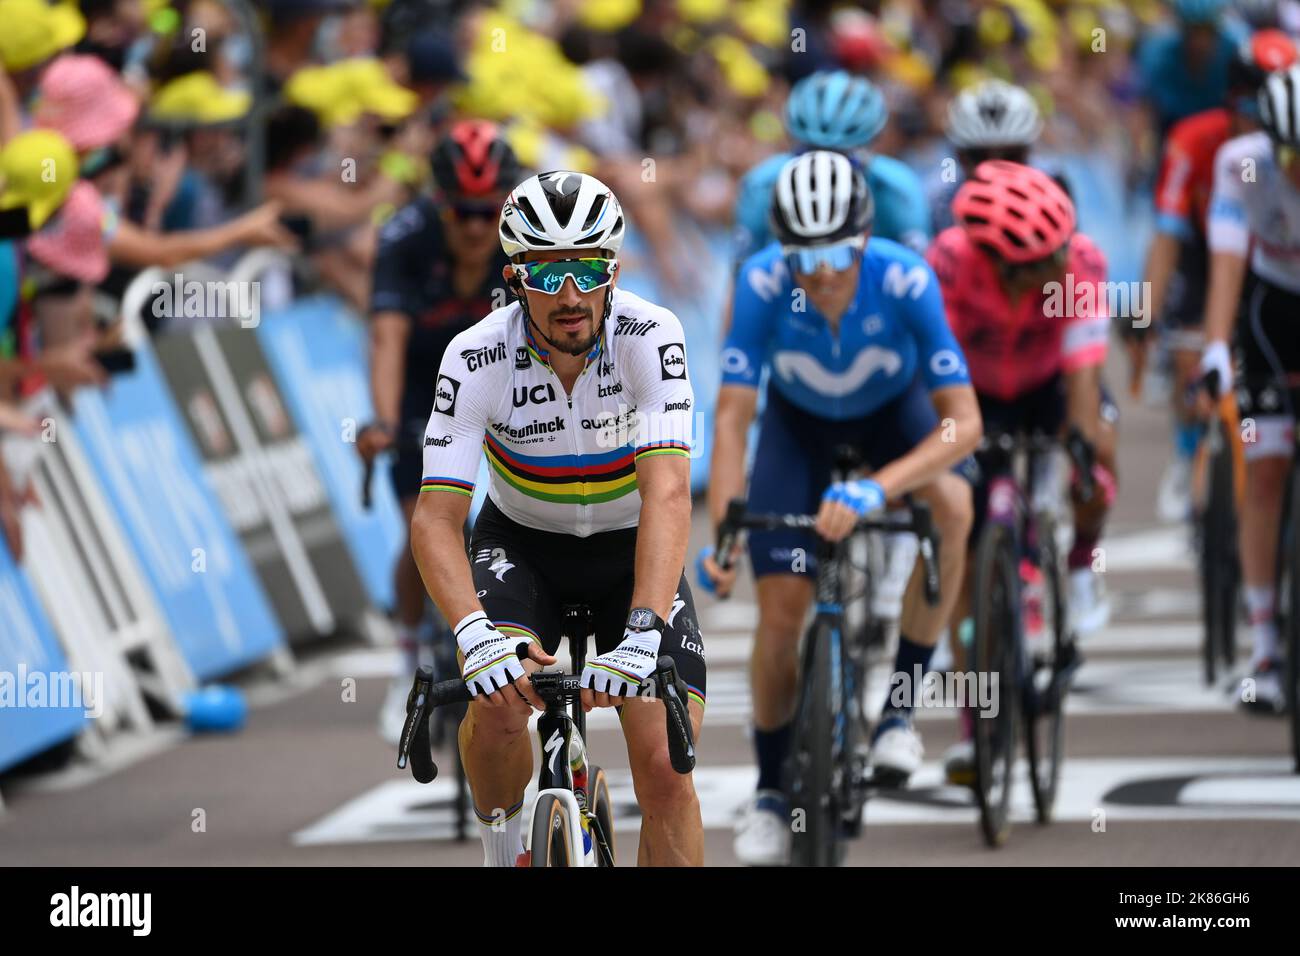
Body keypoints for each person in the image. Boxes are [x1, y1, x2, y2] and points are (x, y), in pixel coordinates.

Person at [409, 170, 706, 867]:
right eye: (547, 275)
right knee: (500, 703)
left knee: (666, 765)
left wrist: (642, 632)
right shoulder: (475, 355)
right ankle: (504, 850)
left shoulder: (650, 334)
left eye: (585, 269)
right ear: (515, 279)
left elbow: (667, 494)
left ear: (613, 272)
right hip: (522, 548)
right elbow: (435, 517)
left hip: (630, 549)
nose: (569, 296)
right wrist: (473, 635)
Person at [701, 150, 981, 866]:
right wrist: (726, 527)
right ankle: (769, 790)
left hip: (893, 419)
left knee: (952, 504)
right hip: (798, 431)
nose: (820, 271)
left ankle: (898, 712)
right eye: (803, 253)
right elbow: (733, 418)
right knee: (781, 615)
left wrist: (878, 489)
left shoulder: (904, 277)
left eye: (836, 250)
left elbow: (963, 424)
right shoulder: (762, 282)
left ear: (863, 238)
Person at [927, 160, 1117, 782]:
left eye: (1062, 252)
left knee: (1101, 456)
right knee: (963, 541)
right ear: (1002, 265)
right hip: (975, 393)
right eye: (1043, 264)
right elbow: (931, 369)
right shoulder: (950, 261)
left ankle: (1080, 559)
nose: (1060, 268)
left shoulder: (1082, 263)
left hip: (1047, 385)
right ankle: (972, 721)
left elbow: (1084, 372)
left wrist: (1083, 458)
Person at [361, 119, 521, 744]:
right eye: (462, 212)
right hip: (422, 385)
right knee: (422, 523)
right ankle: (406, 660)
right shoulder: (404, 237)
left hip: (504, 386)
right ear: (438, 204)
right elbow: (386, 338)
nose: (477, 227)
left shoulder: (522, 241)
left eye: (488, 212)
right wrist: (381, 420)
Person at [1138, 30, 1296, 524]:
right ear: (1231, 101)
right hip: (1208, 254)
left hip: (1273, 263)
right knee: (1194, 351)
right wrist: (1146, 313)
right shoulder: (1195, 141)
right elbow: (1167, 236)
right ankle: (1192, 456)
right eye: (1249, 103)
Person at [1198, 64, 1300, 715]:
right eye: (1288, 154)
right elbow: (1228, 261)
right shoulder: (1242, 163)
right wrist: (1213, 349)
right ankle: (1264, 646)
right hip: (1271, 314)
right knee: (1263, 470)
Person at [732, 69, 931, 262]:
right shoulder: (761, 185)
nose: (824, 169)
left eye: (842, 158)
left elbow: (920, 275)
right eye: (810, 154)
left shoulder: (897, 190)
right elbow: (741, 275)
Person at [928, 78, 1045, 234]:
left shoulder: (1055, 186)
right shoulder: (937, 203)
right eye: (979, 157)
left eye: (1011, 157)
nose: (995, 171)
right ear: (958, 155)